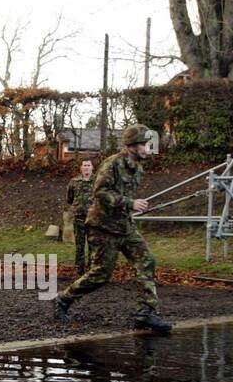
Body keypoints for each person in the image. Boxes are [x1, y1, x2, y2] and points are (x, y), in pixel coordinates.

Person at [54, 124, 171, 333]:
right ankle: (63, 300)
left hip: (124, 226)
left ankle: (145, 313)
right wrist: (129, 203)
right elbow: (99, 193)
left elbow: (122, 196)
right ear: (132, 145)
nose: (147, 148)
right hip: (103, 227)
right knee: (101, 274)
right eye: (144, 144)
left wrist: (131, 207)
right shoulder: (113, 164)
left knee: (147, 260)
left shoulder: (138, 168)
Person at [66, 159, 95, 274]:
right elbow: (69, 199)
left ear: (92, 167)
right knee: (80, 244)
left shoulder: (97, 181)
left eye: (89, 165)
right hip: (79, 218)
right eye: (84, 165)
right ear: (81, 168)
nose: (87, 167)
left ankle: (92, 267)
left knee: (93, 244)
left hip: (93, 219)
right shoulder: (74, 182)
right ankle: (79, 268)